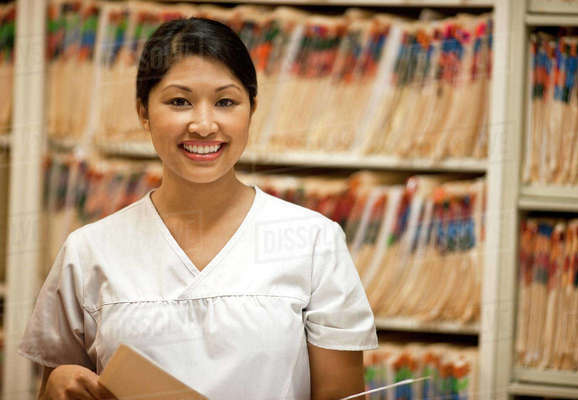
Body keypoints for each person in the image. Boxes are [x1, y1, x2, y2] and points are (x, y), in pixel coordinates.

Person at [19, 17, 378, 400]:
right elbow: (56, 385)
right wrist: (57, 386)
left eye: (225, 102)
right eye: (179, 102)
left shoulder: (313, 241)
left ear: (251, 109)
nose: (204, 125)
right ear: (143, 111)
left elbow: (341, 394)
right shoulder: (88, 250)